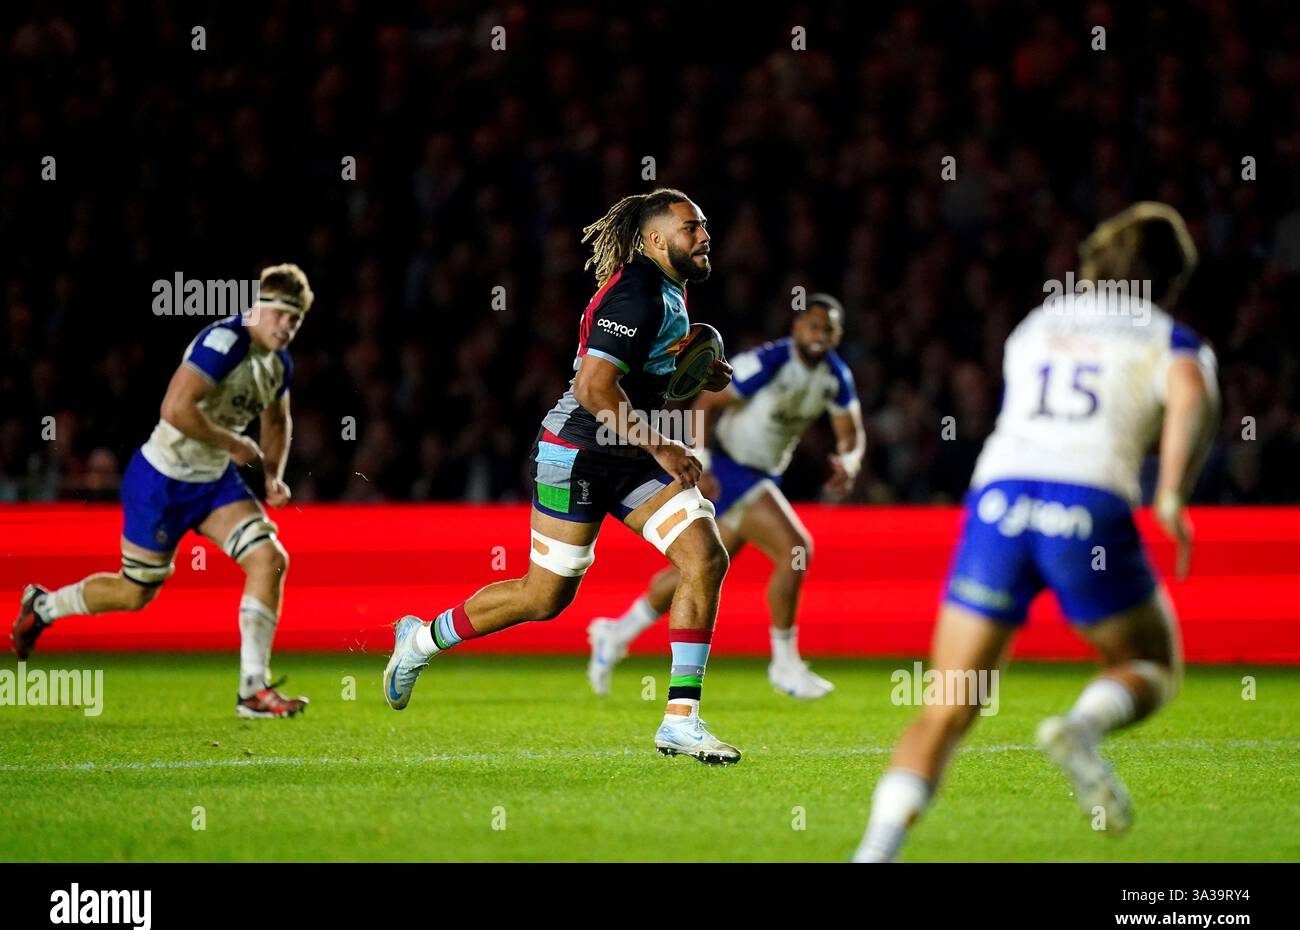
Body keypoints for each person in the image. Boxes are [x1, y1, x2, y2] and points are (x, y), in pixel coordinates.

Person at [853, 203, 1219, 861]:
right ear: (1167, 280)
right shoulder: (1166, 335)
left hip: (998, 501)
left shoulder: (1036, 323)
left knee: (946, 706)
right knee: (1149, 662)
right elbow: (1191, 390)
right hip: (1087, 501)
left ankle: (875, 852)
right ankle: (1081, 728)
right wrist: (1171, 493)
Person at [383, 189, 745, 764]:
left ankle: (681, 720)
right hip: (576, 449)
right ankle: (422, 639)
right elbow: (592, 388)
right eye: (690, 227)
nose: (704, 236)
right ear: (654, 240)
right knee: (544, 596)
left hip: (627, 452)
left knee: (704, 557)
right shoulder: (636, 294)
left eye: (703, 225)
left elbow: (641, 376)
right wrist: (665, 445)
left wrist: (694, 369)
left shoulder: (664, 291)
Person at [10, 264, 314, 719]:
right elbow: (174, 408)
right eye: (281, 315)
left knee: (269, 559)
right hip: (163, 478)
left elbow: (276, 421)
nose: (287, 327)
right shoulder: (225, 342)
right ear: (258, 307)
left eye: (296, 319)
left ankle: (253, 688)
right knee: (135, 593)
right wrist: (233, 442)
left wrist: (272, 475)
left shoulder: (276, 362)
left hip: (213, 484)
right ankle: (45, 605)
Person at [587, 294, 866, 699]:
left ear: (839, 335)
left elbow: (851, 435)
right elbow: (707, 400)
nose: (819, 334)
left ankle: (616, 632)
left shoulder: (835, 376)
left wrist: (851, 461)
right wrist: (704, 461)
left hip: (760, 473)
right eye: (812, 325)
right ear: (797, 327)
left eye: (828, 328)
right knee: (795, 550)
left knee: (699, 568)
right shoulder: (770, 361)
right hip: (733, 469)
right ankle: (785, 662)